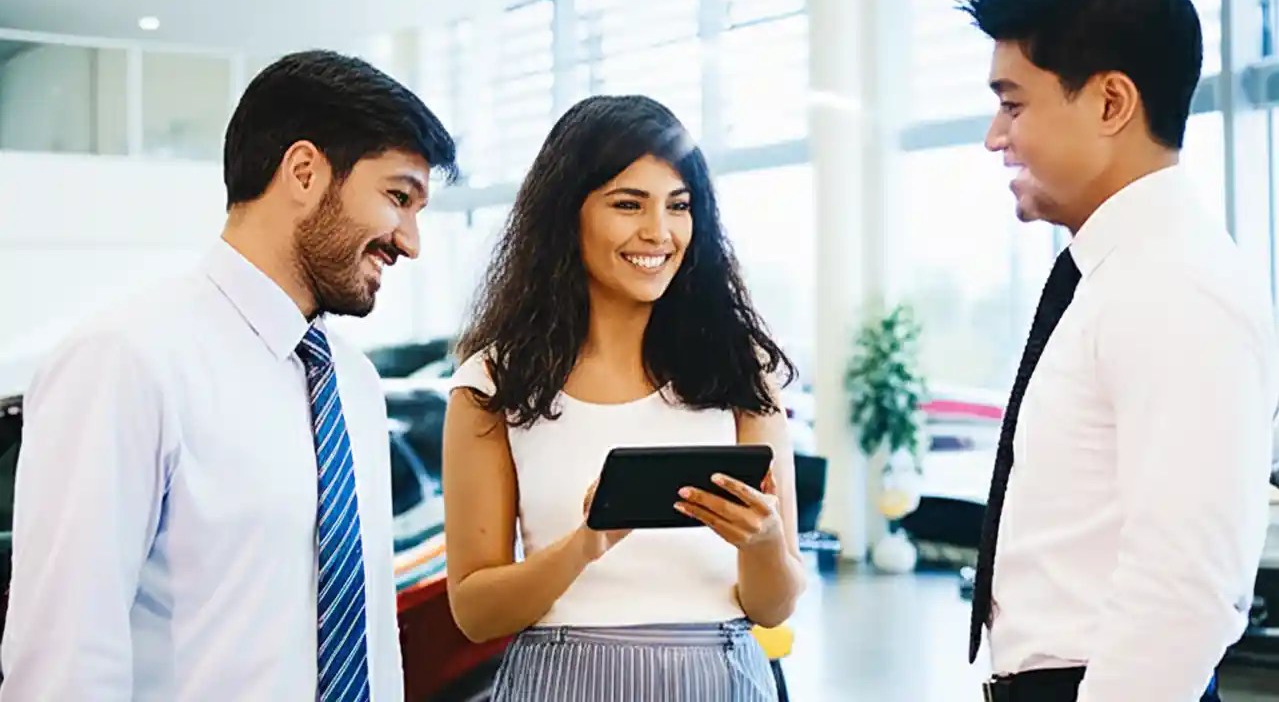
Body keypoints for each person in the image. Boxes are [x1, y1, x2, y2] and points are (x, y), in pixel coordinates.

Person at [0, 49, 457, 700]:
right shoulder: (126, 361)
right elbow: (66, 664)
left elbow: (373, 637)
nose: (411, 240)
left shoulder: (350, 383)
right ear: (304, 172)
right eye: (397, 197)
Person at [961, 0, 1279, 701]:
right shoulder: (1112, 277)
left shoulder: (1177, 285)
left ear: (1111, 103)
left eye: (1013, 105)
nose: (994, 136)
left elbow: (1183, 589)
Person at [441, 94, 806, 701]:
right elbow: (476, 612)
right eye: (627, 204)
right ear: (567, 214)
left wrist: (764, 544)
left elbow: (773, 609)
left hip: (721, 677)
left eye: (679, 206)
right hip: (561, 681)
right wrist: (586, 543)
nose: (658, 232)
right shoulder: (492, 384)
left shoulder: (743, 371)